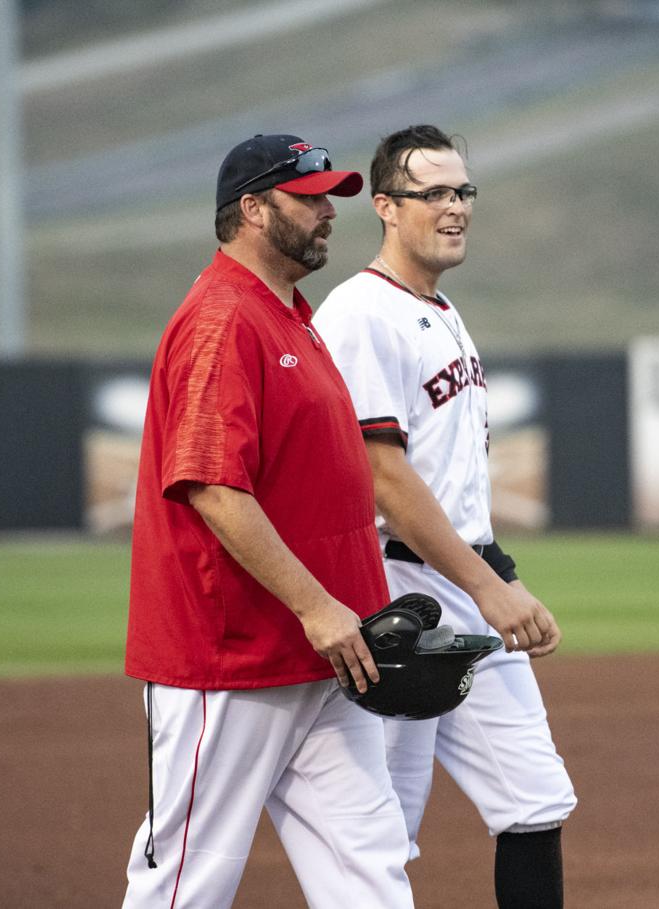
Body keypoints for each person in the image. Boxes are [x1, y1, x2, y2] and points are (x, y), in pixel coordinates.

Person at [121, 134, 414, 909]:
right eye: (309, 196)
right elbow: (214, 488)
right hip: (233, 658)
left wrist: (344, 613)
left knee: (370, 866)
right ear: (252, 209)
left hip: (326, 655)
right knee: (186, 878)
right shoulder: (223, 320)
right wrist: (318, 604)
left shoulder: (286, 314)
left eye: (328, 197)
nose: (326, 213)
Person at [314, 124, 578, 909]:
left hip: (465, 577)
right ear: (387, 208)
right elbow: (385, 478)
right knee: (380, 834)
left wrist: (496, 579)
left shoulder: (437, 306)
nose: (455, 206)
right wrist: (488, 590)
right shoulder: (361, 313)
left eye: (463, 190)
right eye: (433, 192)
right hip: (398, 597)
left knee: (534, 800)